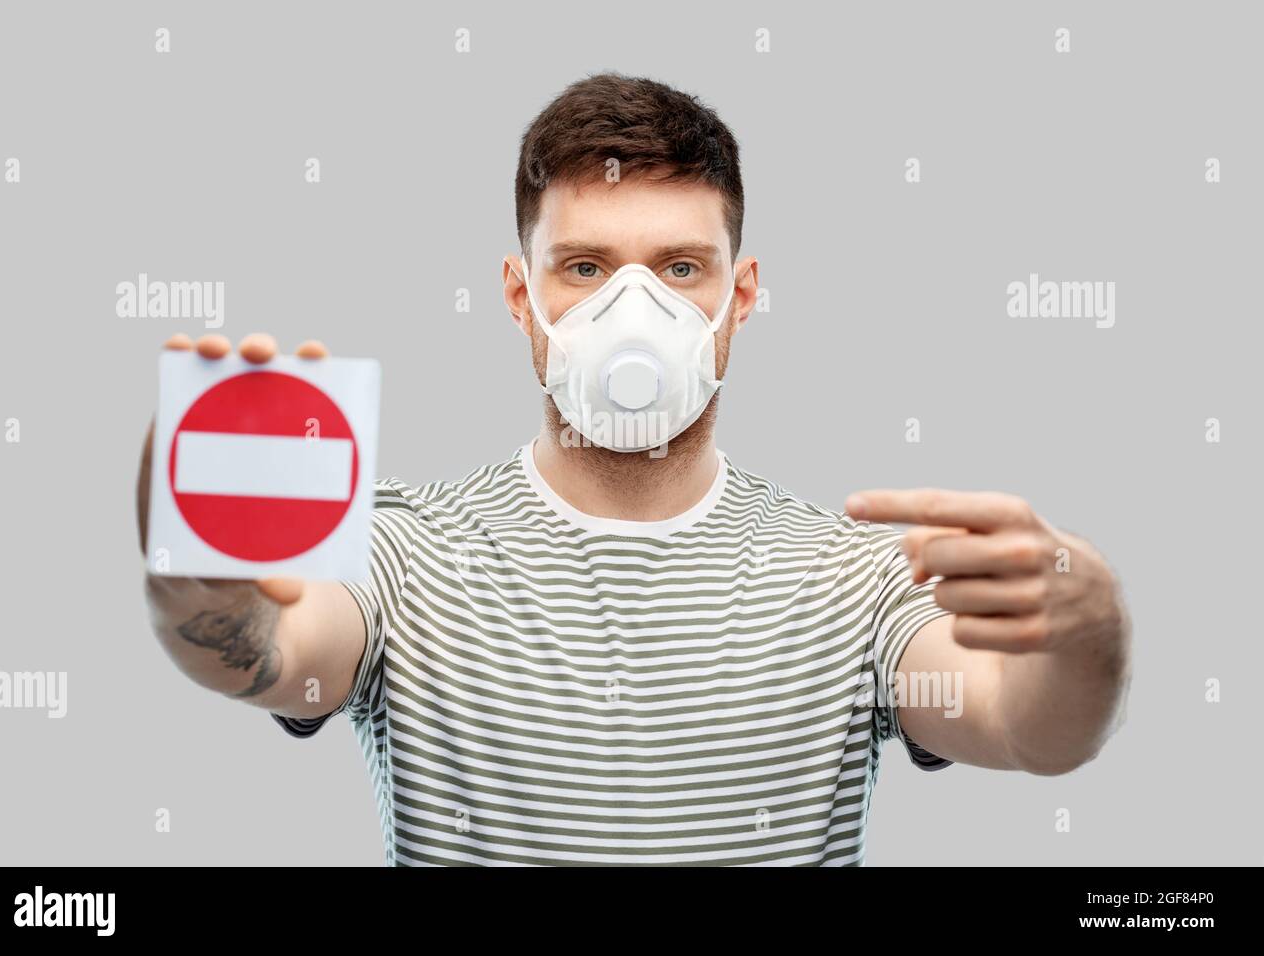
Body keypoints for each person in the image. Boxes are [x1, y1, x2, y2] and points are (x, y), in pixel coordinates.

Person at [136, 73, 1131, 866]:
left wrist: (1087, 628)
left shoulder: (854, 572)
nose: (634, 310)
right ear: (520, 297)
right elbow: (268, 657)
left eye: (679, 268)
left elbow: (1028, 729)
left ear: (739, 297)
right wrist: (194, 569)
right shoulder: (403, 548)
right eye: (585, 267)